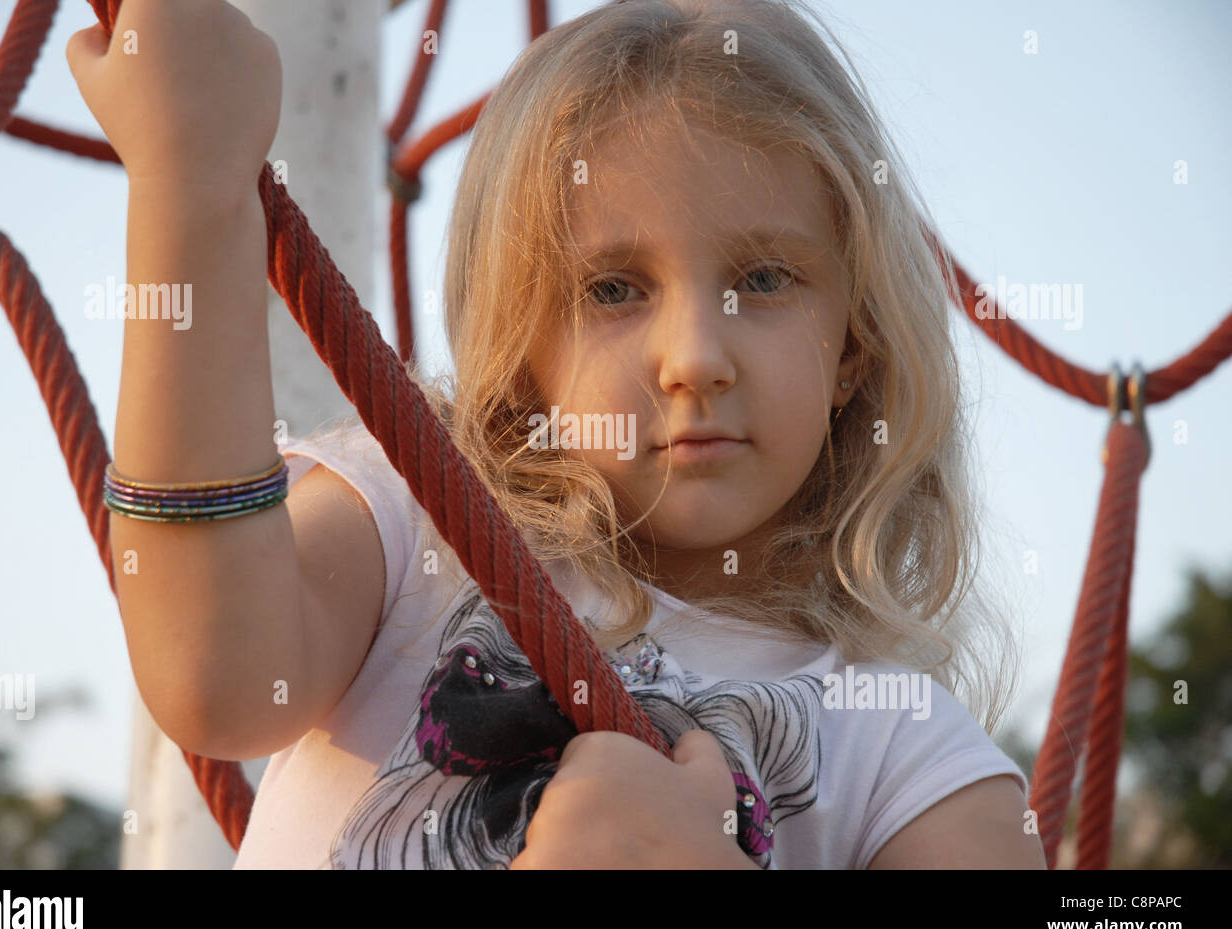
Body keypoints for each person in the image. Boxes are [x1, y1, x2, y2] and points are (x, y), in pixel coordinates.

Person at [67, 0, 1047, 869]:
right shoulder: (416, 523)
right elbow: (216, 679)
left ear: (852, 346)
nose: (695, 357)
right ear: (522, 346)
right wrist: (191, 188)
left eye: (763, 280)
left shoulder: (904, 748)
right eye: (613, 290)